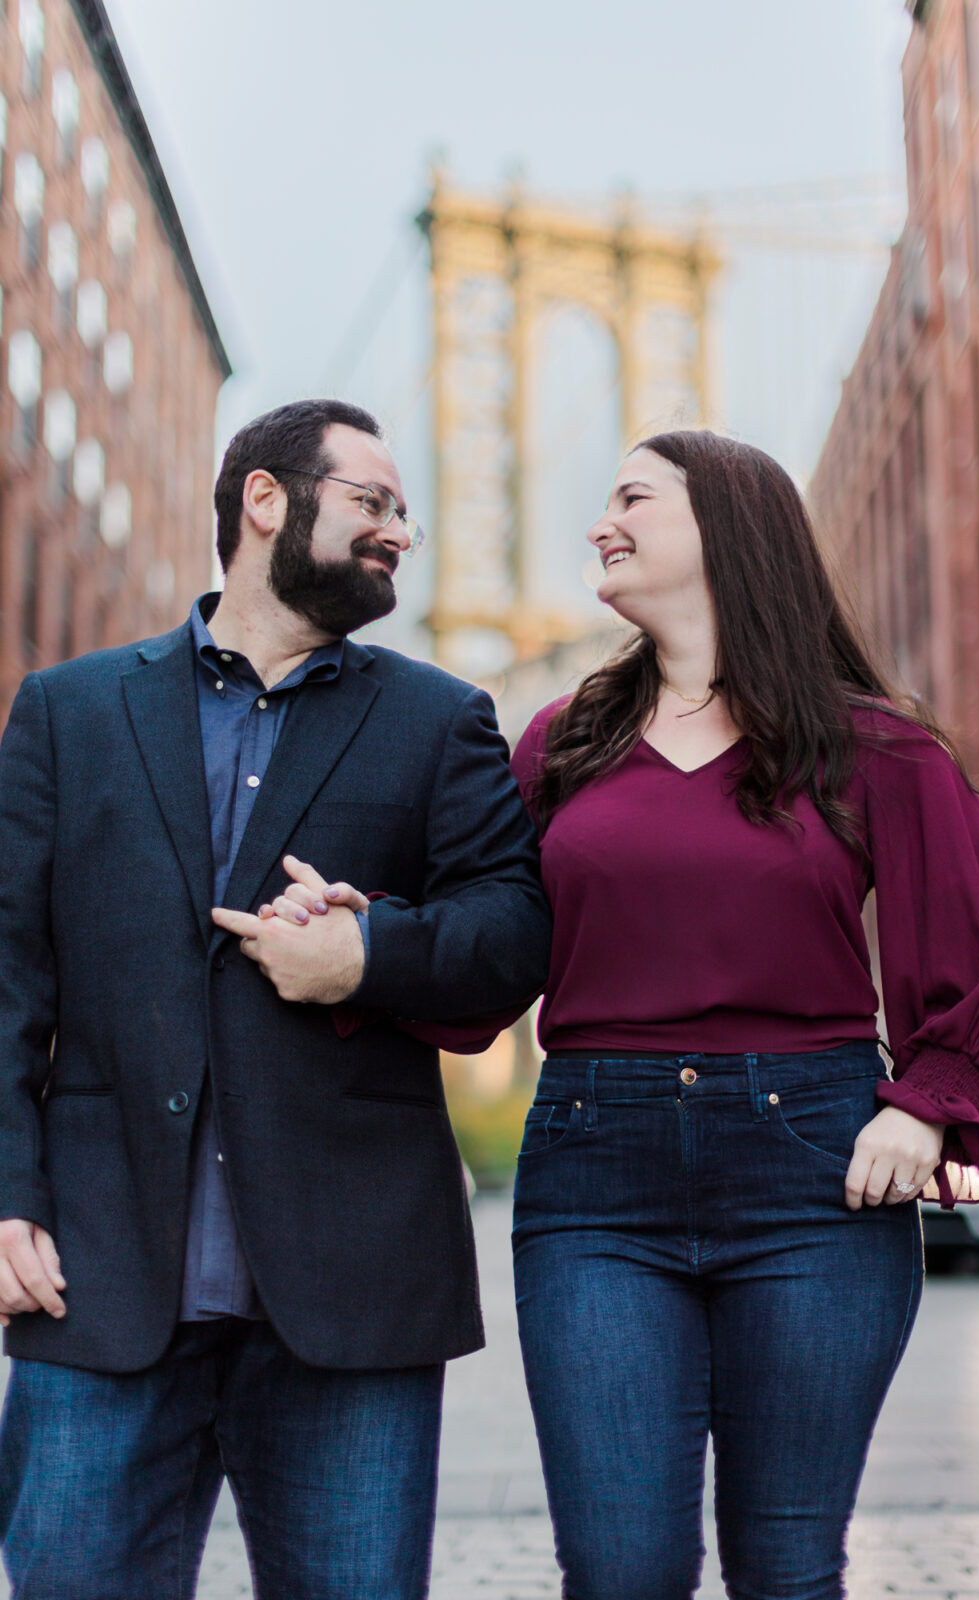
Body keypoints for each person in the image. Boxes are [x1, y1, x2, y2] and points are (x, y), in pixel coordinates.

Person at [0, 398, 551, 1600]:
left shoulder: (439, 720)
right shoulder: (67, 711)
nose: (398, 530)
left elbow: (514, 937)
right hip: (97, 1281)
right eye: (372, 501)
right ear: (265, 499)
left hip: (352, 1298)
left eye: (405, 514)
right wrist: (5, 1194)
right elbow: (8, 980)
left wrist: (368, 953)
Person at [504, 430, 979, 1600]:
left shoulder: (871, 744)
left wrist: (928, 1100)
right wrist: (366, 934)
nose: (600, 523)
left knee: (786, 1566)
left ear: (725, 526)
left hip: (813, 1180)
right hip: (595, 1181)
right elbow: (479, 928)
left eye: (631, 498)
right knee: (618, 1570)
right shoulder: (563, 742)